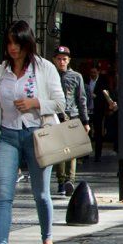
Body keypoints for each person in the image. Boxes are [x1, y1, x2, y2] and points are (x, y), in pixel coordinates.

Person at [0, 21, 66, 244]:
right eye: (8, 43)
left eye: (17, 43)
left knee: (41, 193)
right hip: (8, 136)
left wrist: (35, 103)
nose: (12, 48)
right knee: (4, 194)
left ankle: (47, 239)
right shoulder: (2, 70)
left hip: (38, 135)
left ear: (27, 43)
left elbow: (60, 103)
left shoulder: (45, 68)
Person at [51, 46, 89, 195]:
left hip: (72, 116)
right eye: (59, 59)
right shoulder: (50, 76)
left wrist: (85, 121)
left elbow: (82, 99)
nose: (61, 62)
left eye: (64, 59)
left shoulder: (76, 76)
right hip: (55, 117)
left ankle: (70, 181)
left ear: (69, 60)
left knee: (72, 152)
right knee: (59, 152)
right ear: (54, 60)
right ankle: (61, 181)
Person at [88, 67, 111, 162]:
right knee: (87, 133)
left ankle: (98, 155)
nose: (93, 74)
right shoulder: (87, 82)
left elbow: (106, 96)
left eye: (94, 72)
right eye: (91, 72)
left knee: (98, 133)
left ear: (98, 72)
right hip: (88, 111)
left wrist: (96, 97)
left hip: (98, 110)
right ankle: (85, 155)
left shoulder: (102, 83)